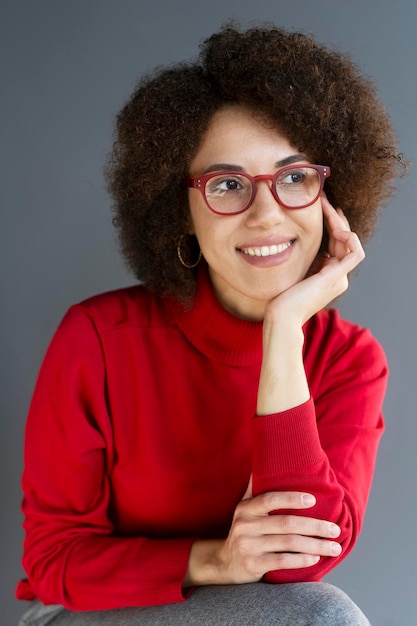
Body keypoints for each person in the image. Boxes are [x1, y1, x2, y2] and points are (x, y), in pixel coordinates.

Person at [17, 23, 405, 626]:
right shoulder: (98, 337)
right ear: (183, 210)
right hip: (89, 612)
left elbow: (299, 562)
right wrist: (218, 561)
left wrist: (283, 332)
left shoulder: (350, 358)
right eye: (227, 185)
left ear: (333, 195)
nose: (267, 213)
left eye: (295, 177)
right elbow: (53, 562)